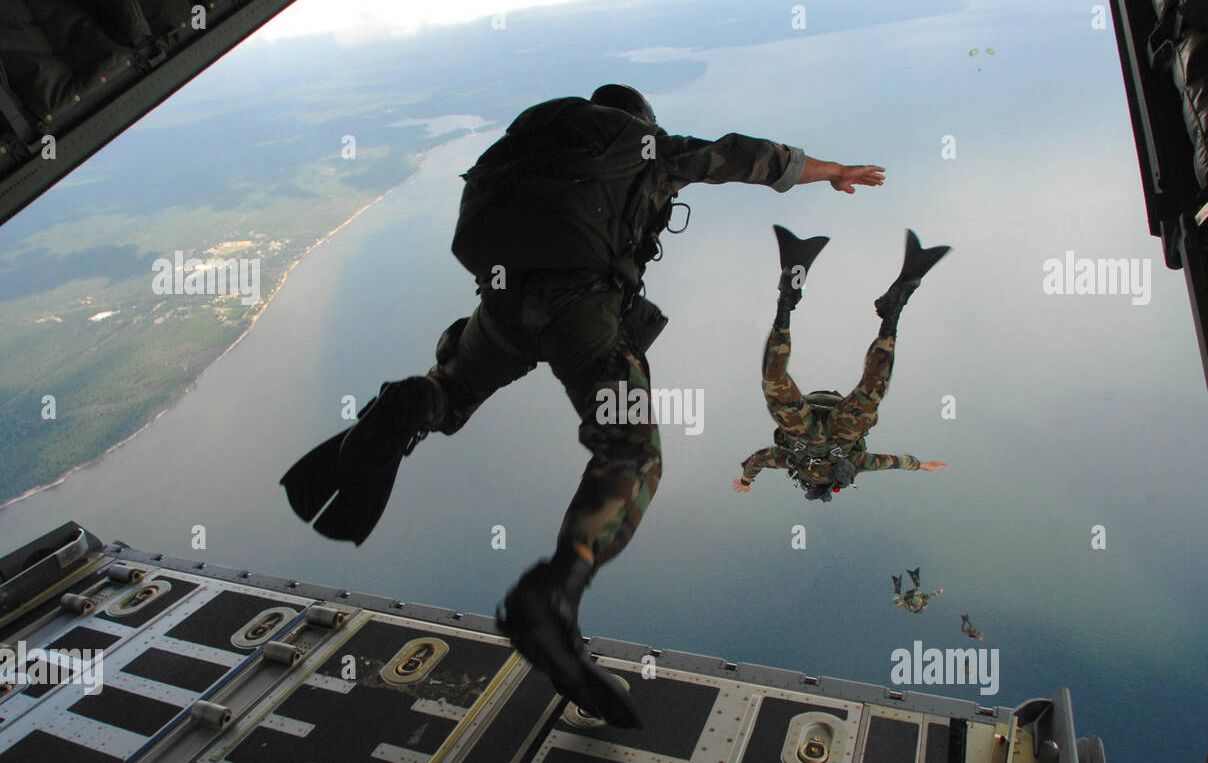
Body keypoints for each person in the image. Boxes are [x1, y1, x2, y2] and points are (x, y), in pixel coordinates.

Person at [281, 84, 886, 727]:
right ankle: (553, 599)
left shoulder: (531, 148)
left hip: (502, 308)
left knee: (452, 389)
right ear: (639, 119)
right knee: (631, 453)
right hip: (584, 314)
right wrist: (833, 172)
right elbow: (747, 156)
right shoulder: (649, 148)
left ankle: (408, 405)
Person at [732, 226, 950, 502]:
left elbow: (759, 460)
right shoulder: (847, 465)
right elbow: (890, 462)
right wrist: (919, 465)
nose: (814, 481)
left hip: (807, 427)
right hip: (840, 432)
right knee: (869, 389)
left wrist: (747, 478)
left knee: (866, 389)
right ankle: (894, 306)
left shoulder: (793, 461)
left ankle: (790, 293)